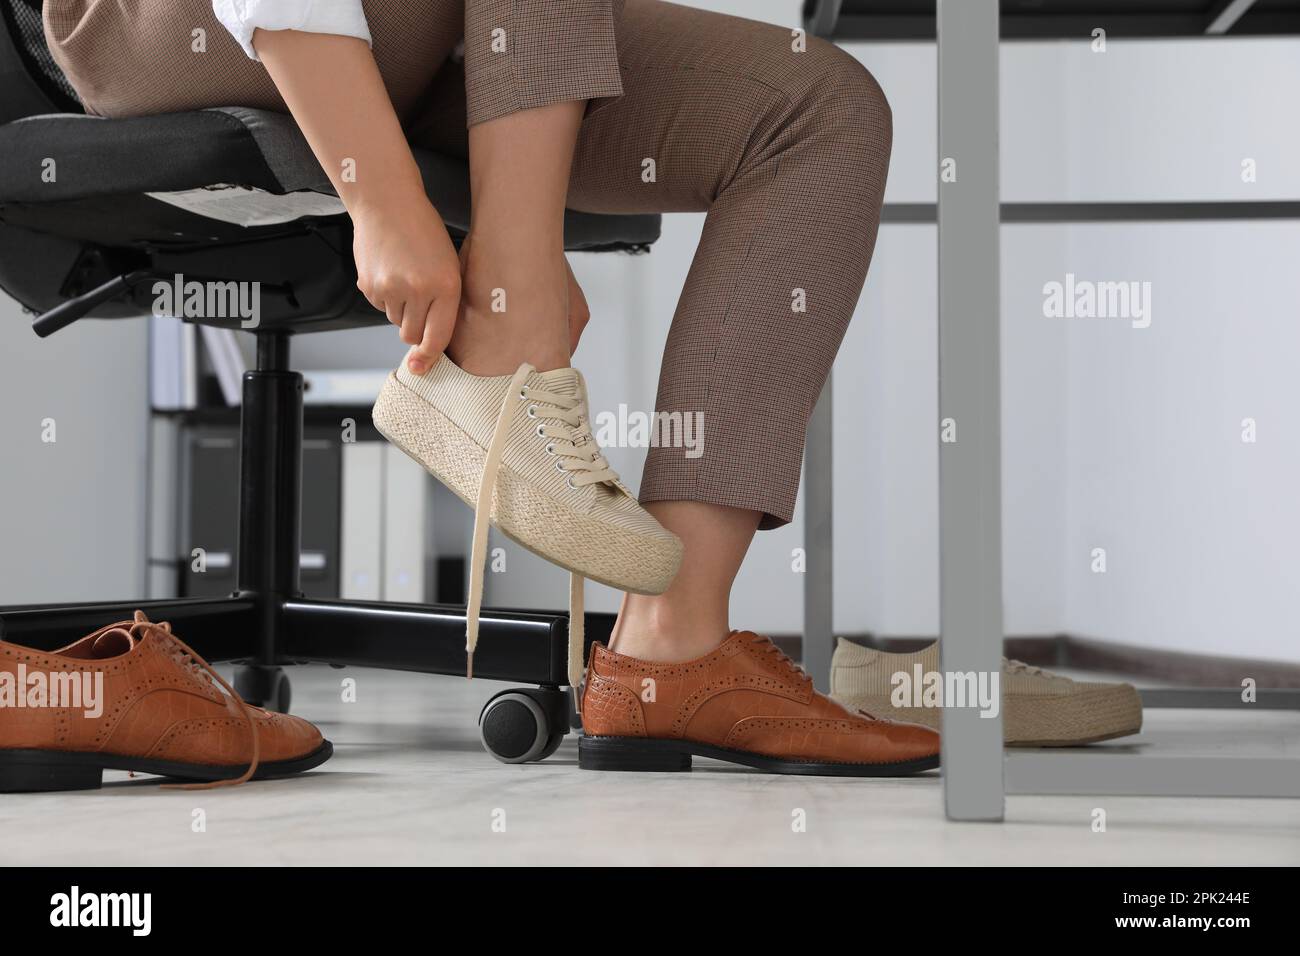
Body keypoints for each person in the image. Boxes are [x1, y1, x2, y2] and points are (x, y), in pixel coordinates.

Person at [44, 0, 941, 776]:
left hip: (435, 40)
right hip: (171, 29)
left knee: (816, 110)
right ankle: (512, 318)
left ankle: (672, 648)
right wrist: (384, 200)